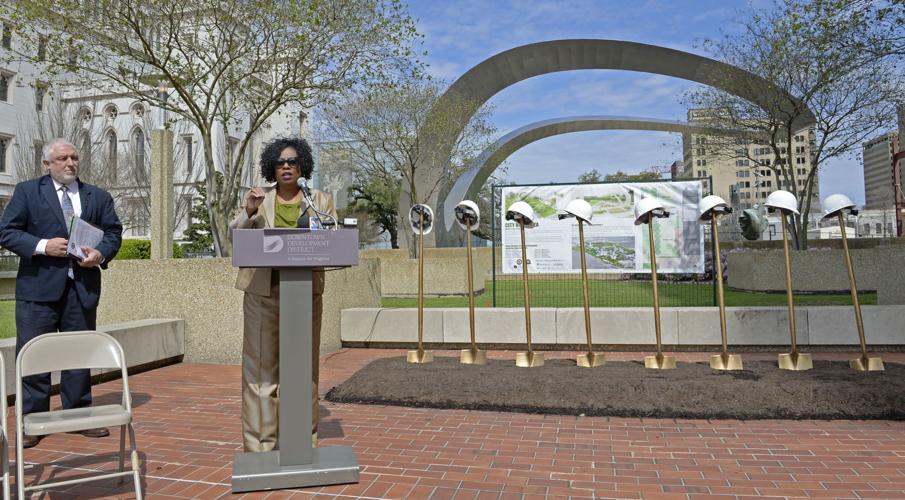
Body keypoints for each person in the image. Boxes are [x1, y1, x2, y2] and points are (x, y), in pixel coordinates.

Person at [0, 138, 123, 449]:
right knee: (34, 355)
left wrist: (101, 254)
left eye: (74, 157)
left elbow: (113, 232)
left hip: (81, 288)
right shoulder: (28, 192)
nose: (70, 163)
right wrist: (42, 246)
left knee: (78, 352)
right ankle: (32, 421)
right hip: (38, 290)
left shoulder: (97, 195)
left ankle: (79, 414)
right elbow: (7, 231)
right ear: (47, 164)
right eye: (62, 158)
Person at [229, 136, 337, 453]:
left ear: (302, 165)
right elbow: (235, 237)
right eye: (279, 162)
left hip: (305, 294)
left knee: (304, 369)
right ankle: (261, 445)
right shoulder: (257, 199)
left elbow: (332, 240)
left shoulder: (320, 200)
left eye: (291, 161)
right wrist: (248, 211)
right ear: (271, 168)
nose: (286, 166)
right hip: (263, 293)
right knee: (260, 370)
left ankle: (300, 441)